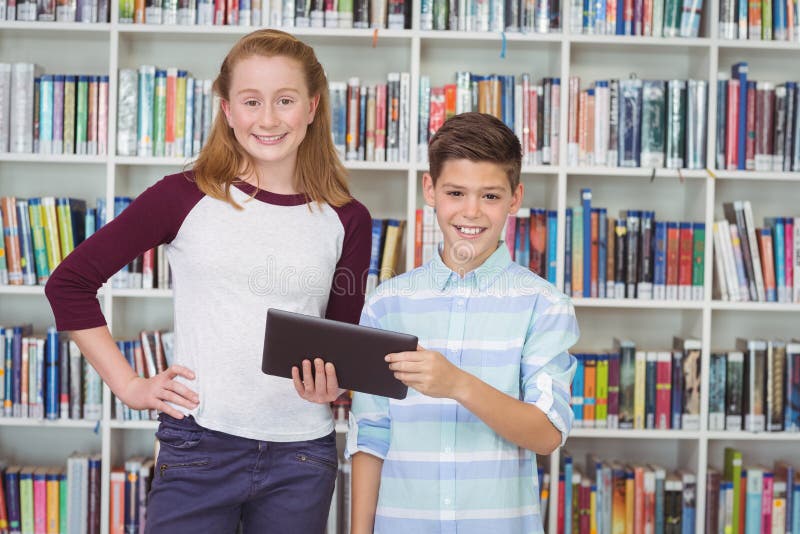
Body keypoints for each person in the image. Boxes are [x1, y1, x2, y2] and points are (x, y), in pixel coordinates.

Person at [45, 29, 372, 533]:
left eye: (284, 100)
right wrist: (128, 385)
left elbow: (340, 342)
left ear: (312, 107)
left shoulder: (347, 218)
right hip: (199, 446)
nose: (267, 118)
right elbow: (69, 284)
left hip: (302, 457)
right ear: (226, 109)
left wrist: (335, 383)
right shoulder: (182, 196)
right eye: (250, 101)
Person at [346, 112, 579, 534]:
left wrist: (457, 384)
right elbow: (369, 436)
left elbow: (547, 433)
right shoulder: (386, 305)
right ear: (430, 190)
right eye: (456, 192)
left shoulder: (544, 305)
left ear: (515, 198)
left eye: (490, 196)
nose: (471, 212)